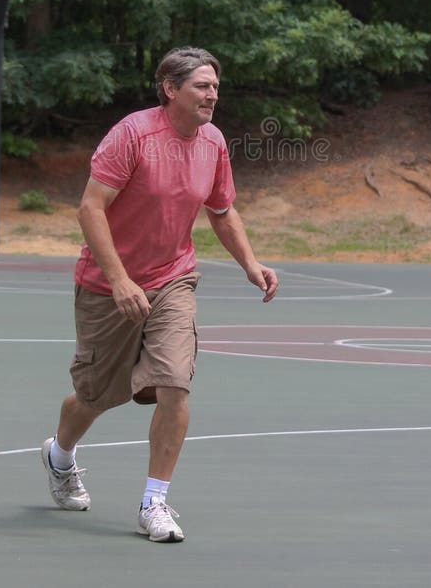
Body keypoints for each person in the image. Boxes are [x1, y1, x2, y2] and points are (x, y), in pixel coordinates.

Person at [41, 46, 278, 543]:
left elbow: (221, 210)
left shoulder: (212, 142)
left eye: (215, 86)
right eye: (202, 86)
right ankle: (59, 455)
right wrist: (122, 279)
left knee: (175, 384)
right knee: (96, 395)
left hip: (174, 278)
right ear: (171, 89)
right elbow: (90, 209)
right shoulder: (132, 135)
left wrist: (250, 264)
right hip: (108, 285)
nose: (213, 94)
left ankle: (155, 503)